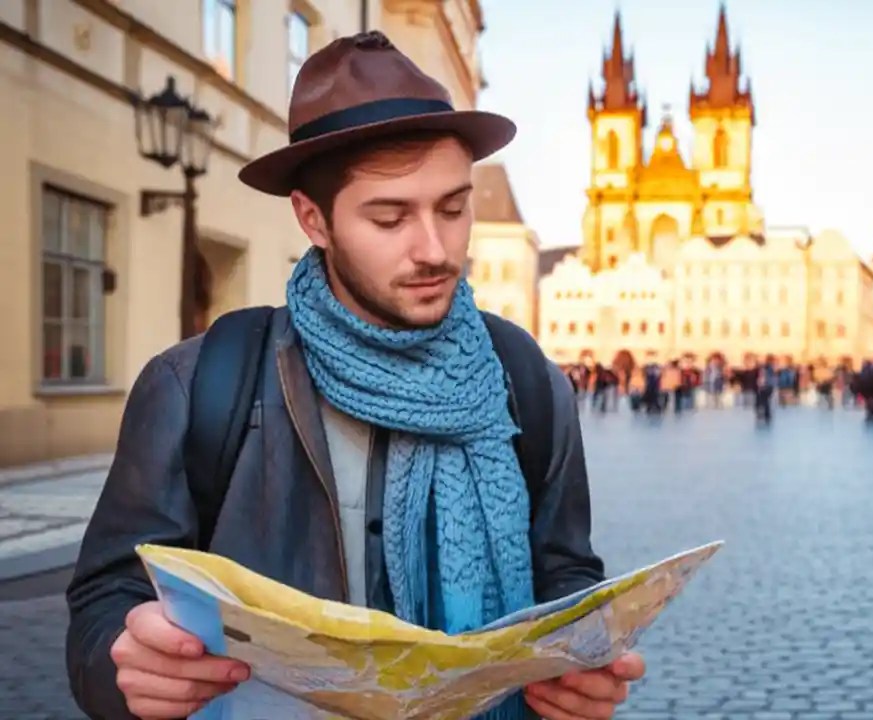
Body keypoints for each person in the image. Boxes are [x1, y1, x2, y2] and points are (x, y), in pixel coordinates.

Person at [65, 32, 643, 720]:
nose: (434, 248)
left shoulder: (524, 379)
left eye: (454, 208)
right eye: (390, 217)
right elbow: (107, 600)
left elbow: (567, 571)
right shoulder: (199, 384)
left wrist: (578, 667)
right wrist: (122, 667)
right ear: (314, 219)